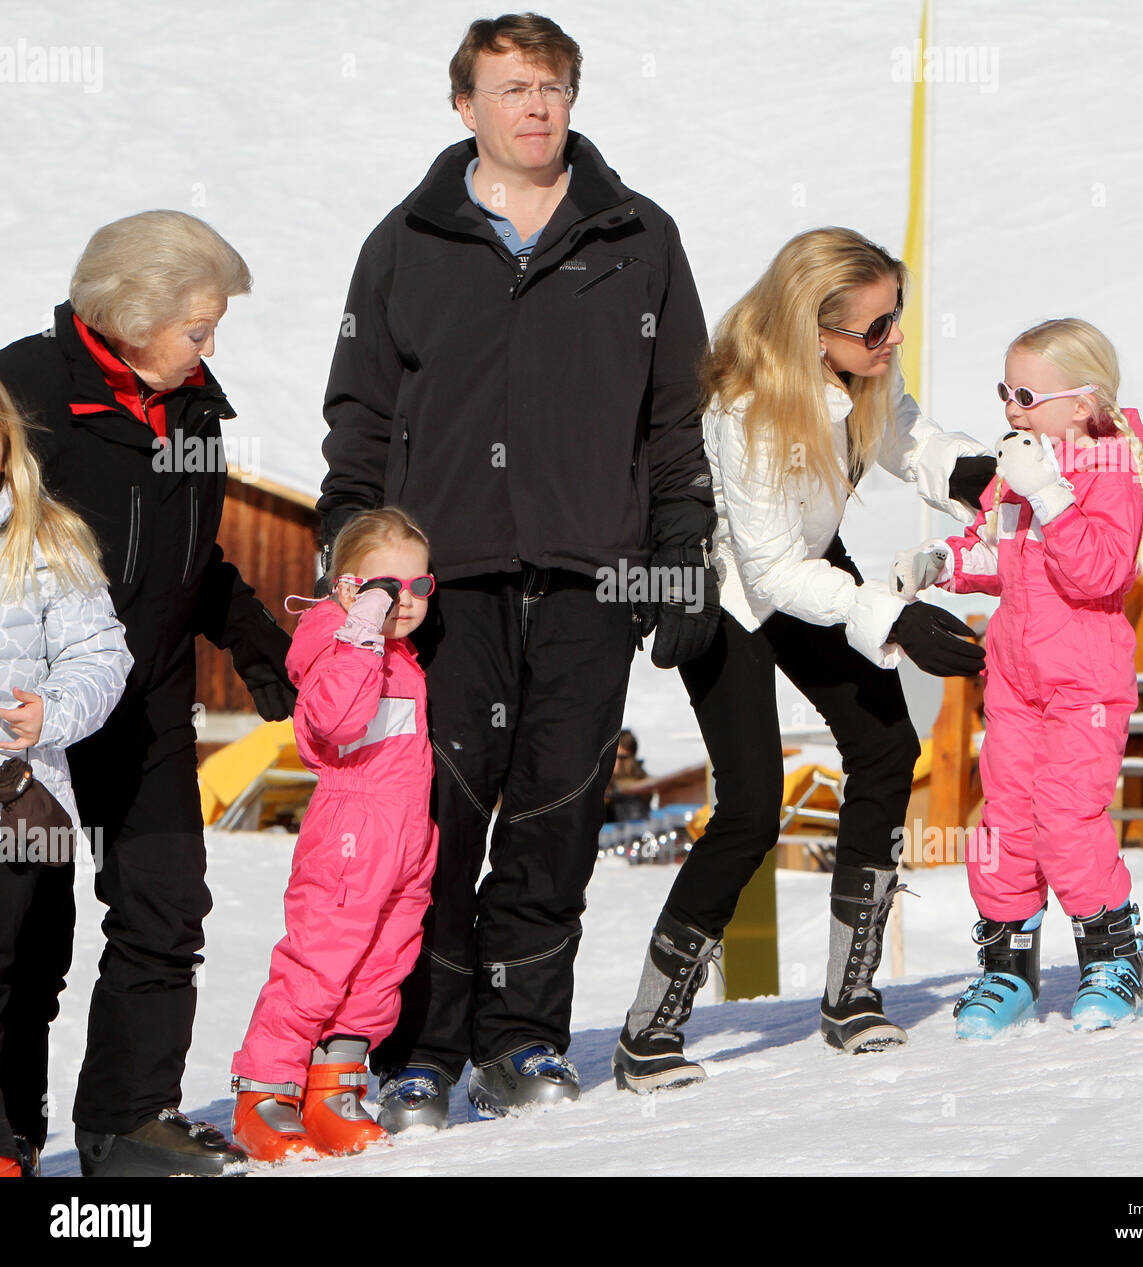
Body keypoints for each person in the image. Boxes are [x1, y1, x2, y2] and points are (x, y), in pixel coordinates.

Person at [317, 13, 718, 1125]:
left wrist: (681, 552)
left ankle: (524, 1039)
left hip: (593, 577)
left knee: (556, 820)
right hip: (440, 589)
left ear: (573, 99)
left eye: (550, 85)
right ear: (465, 107)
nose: (532, 105)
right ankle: (417, 1051)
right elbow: (358, 415)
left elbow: (676, 414)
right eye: (508, 88)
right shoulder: (406, 240)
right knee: (434, 828)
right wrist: (350, 556)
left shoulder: (639, 236)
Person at [612, 228, 993, 1094]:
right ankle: (649, 1029)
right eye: (873, 329)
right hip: (735, 591)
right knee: (752, 803)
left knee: (888, 746)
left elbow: (904, 434)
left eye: (896, 318)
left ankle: (851, 990)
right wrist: (894, 615)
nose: (892, 339)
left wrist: (968, 469)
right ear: (813, 332)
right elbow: (772, 569)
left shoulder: (861, 371)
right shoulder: (746, 408)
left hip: (813, 571)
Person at [0, 211, 296, 1176]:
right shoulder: (26, 392)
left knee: (165, 909)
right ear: (132, 314)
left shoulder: (196, 408)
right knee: (25, 942)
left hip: (147, 700)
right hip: (30, 720)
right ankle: (9, 1131)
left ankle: (128, 1120)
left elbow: (193, 561)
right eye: (198, 328)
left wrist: (261, 649)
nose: (211, 349)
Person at [892, 318, 1143, 1036]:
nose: (1012, 408)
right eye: (1005, 391)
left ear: (1084, 402)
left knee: (1067, 816)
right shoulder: (1019, 469)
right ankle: (1008, 969)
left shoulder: (1111, 471)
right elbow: (996, 556)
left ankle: (1110, 956)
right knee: (1002, 822)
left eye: (1028, 394)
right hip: (1015, 678)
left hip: (1085, 683)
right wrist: (941, 564)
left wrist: (1052, 495)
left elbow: (1102, 572)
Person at [231, 508, 439, 1162]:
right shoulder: (333, 642)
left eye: (419, 586)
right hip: (351, 833)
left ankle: (334, 1085)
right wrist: (358, 631)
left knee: (383, 963)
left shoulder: (403, 655)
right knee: (321, 960)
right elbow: (332, 719)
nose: (403, 601)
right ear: (348, 587)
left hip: (405, 836)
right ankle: (265, 1087)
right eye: (386, 586)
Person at [0, 386, 133, 1177]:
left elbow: (102, 653)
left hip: (27, 786)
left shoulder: (47, 537)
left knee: (31, 974)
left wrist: (52, 710)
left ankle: (18, 1136)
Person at [605, 729, 652, 823]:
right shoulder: (600, 779)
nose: (617, 762)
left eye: (622, 758)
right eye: (612, 756)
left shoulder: (640, 781)